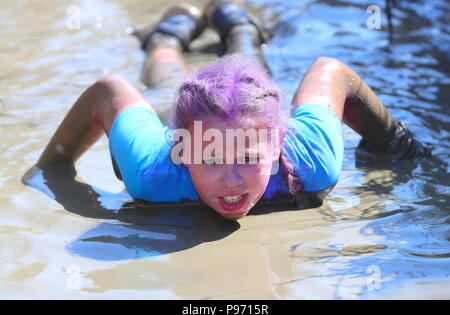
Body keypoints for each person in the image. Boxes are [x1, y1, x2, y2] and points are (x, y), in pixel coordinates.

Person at [33, 0, 430, 220]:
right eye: (210, 159)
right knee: (166, 82)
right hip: (192, 112)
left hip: (245, 113)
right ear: (182, 151)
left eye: (247, 157)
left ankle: (238, 24)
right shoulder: (152, 172)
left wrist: (397, 143)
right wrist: (50, 168)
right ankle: (171, 32)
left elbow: (332, 70)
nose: (231, 180)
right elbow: (109, 90)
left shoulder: (312, 159)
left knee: (254, 79)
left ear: (279, 144)